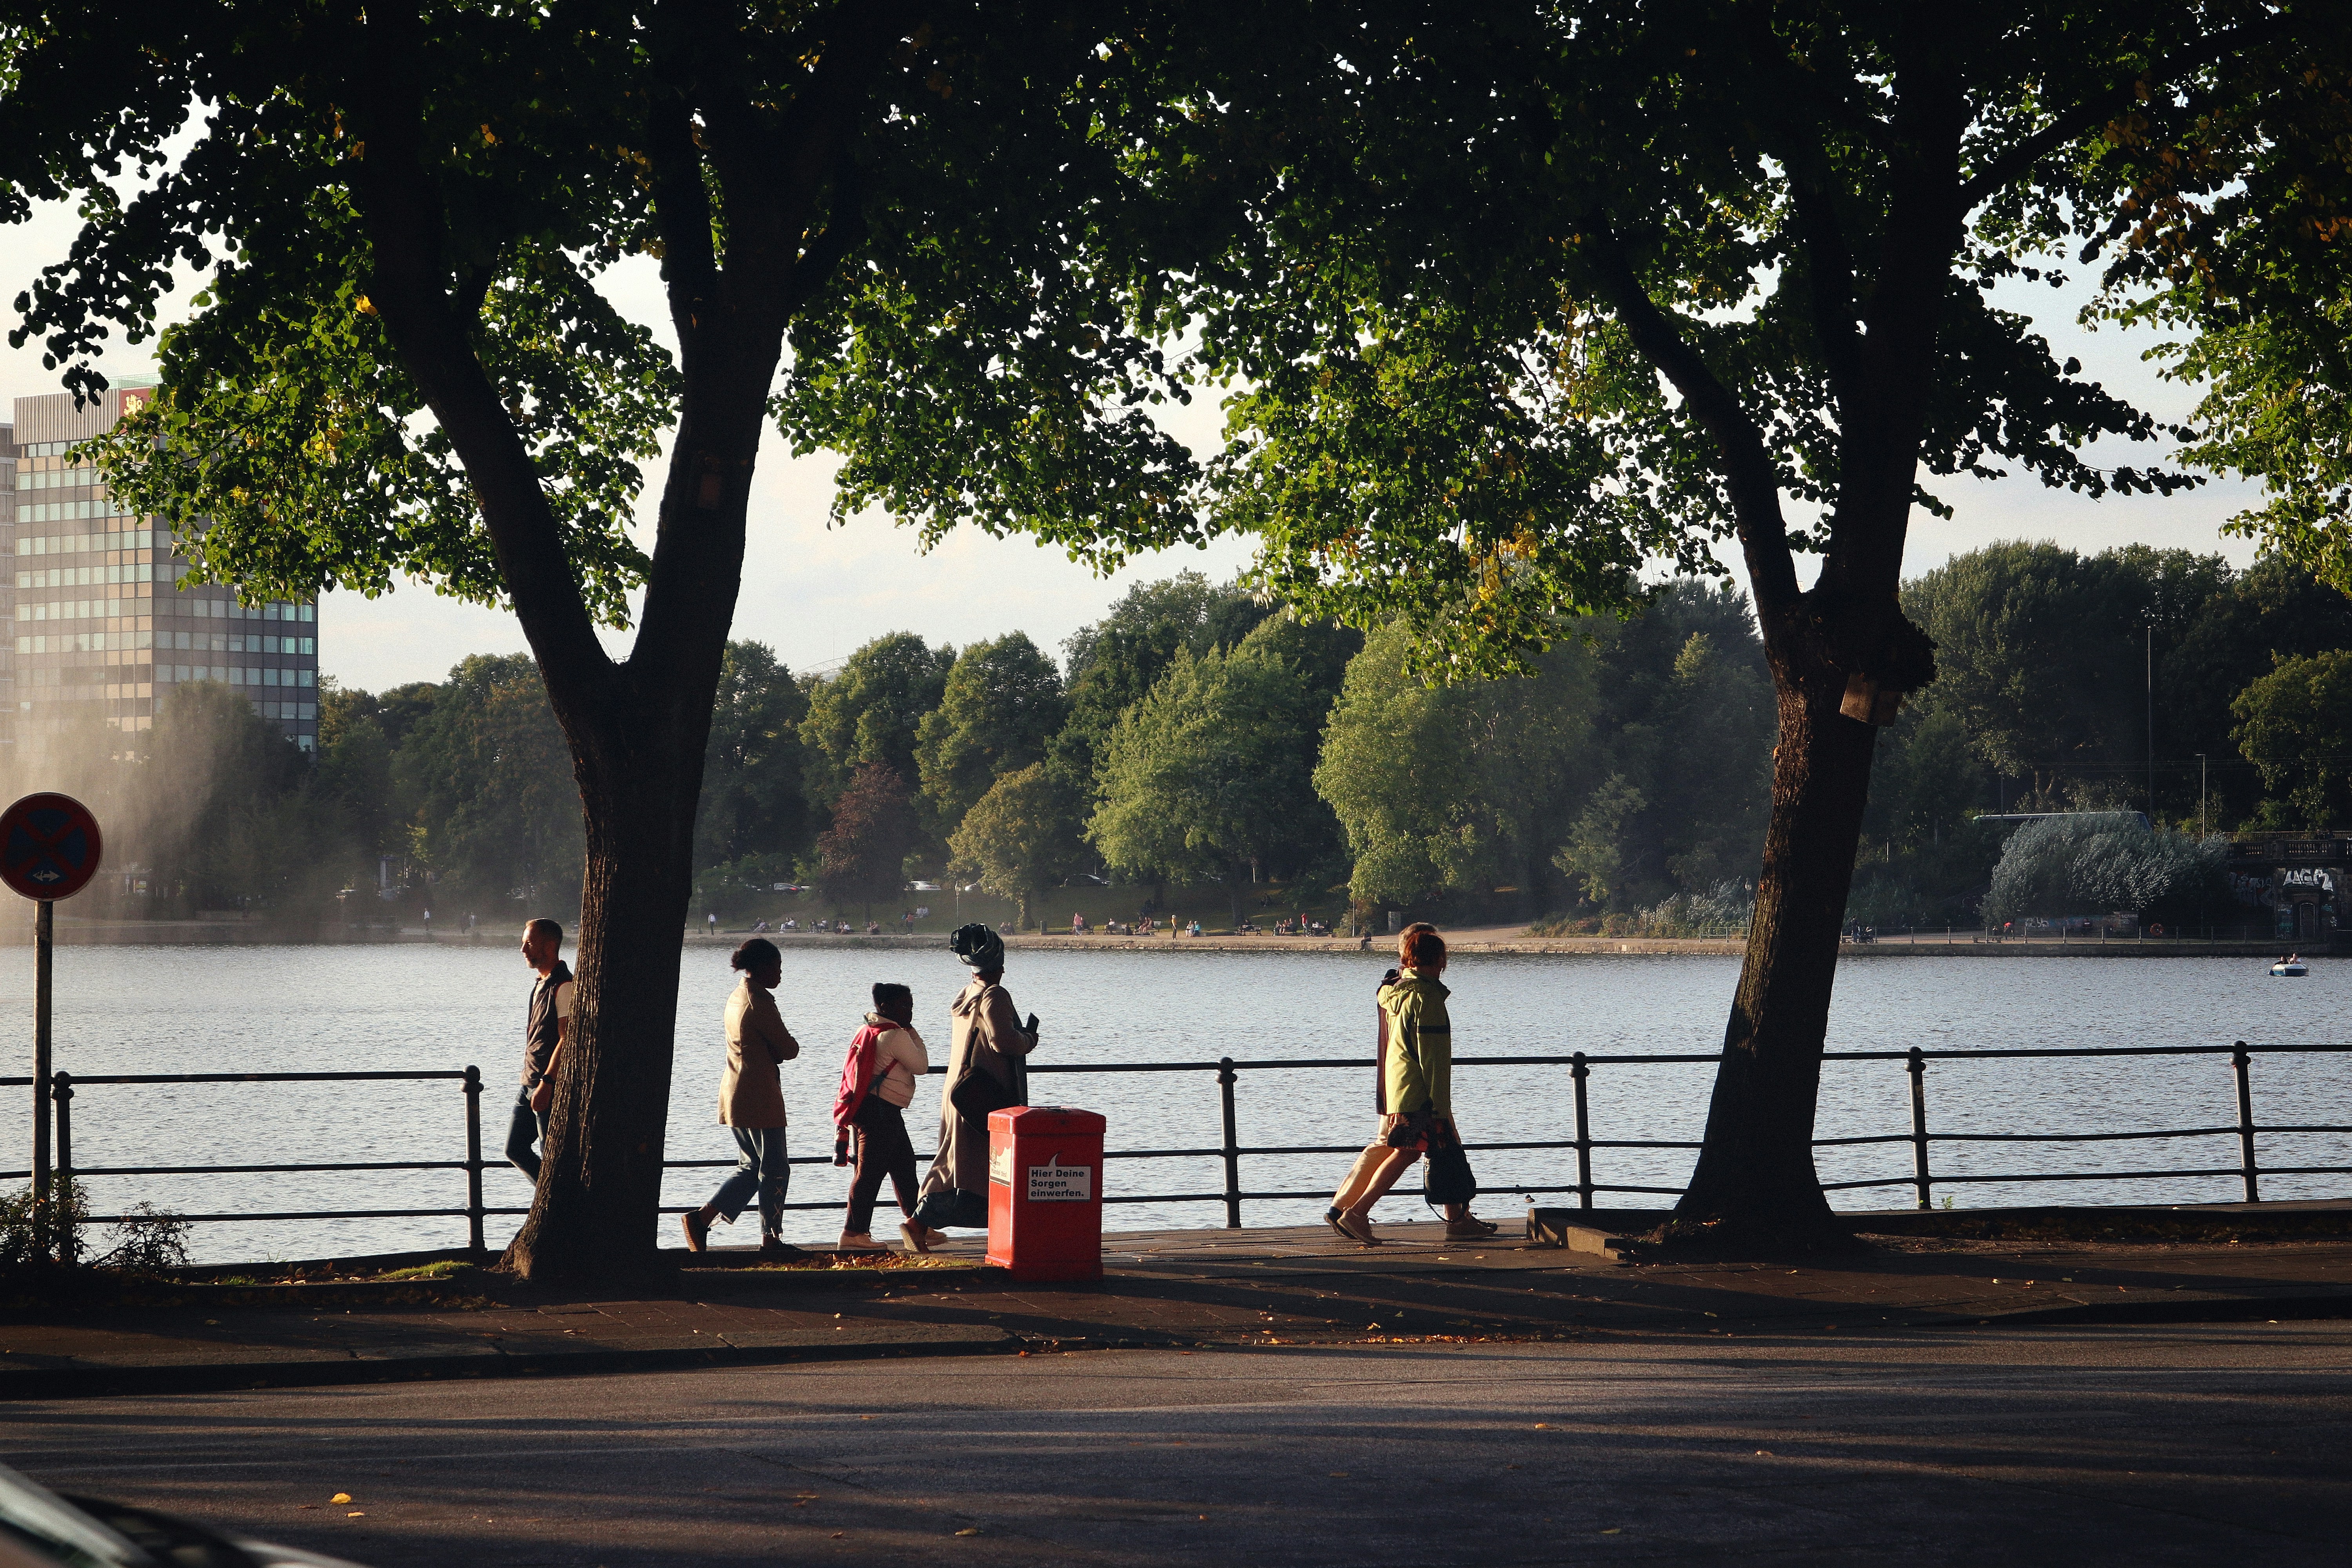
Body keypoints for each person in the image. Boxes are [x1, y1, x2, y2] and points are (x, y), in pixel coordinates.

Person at [1324, 922, 1495, 1245]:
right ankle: (1357, 1215)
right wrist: (1440, 1107)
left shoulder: (1398, 994)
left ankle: (1458, 1220)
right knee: (1406, 1153)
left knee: (1433, 1151)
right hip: (1419, 1093)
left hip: (1401, 1087)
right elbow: (1432, 1057)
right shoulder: (1428, 998)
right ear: (1440, 960)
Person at [902, 923, 1038, 1252]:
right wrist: (1029, 1039)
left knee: (953, 1160)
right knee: (987, 1167)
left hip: (960, 1091)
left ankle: (919, 1222)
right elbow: (1003, 1041)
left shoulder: (966, 996)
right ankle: (924, 1222)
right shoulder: (995, 995)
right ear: (1000, 967)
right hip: (985, 1095)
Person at [681, 937, 801, 1255]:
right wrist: (783, 1049)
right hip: (759, 1095)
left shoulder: (738, 995)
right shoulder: (759, 1002)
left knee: (752, 1166)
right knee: (775, 1167)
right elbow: (788, 1048)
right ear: (762, 968)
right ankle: (772, 1239)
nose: (780, 974)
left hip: (735, 1091)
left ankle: (702, 1219)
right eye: (777, 967)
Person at [832, 982, 929, 1251]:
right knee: (869, 1174)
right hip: (880, 1111)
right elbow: (921, 1066)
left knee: (905, 1167)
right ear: (885, 1007)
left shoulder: (866, 1029)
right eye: (904, 1006)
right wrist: (913, 1034)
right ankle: (854, 1234)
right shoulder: (896, 1036)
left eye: (911, 1005)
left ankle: (919, 1223)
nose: (909, 1011)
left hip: (872, 1108)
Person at [506, 918, 574, 1184]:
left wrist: (548, 1082)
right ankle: (548, 1208)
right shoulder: (541, 983)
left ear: (550, 945)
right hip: (529, 1082)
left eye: (529, 943)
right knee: (515, 1149)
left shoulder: (564, 986)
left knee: (551, 1154)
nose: (523, 950)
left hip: (548, 1084)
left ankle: (558, 1212)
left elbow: (566, 1038)